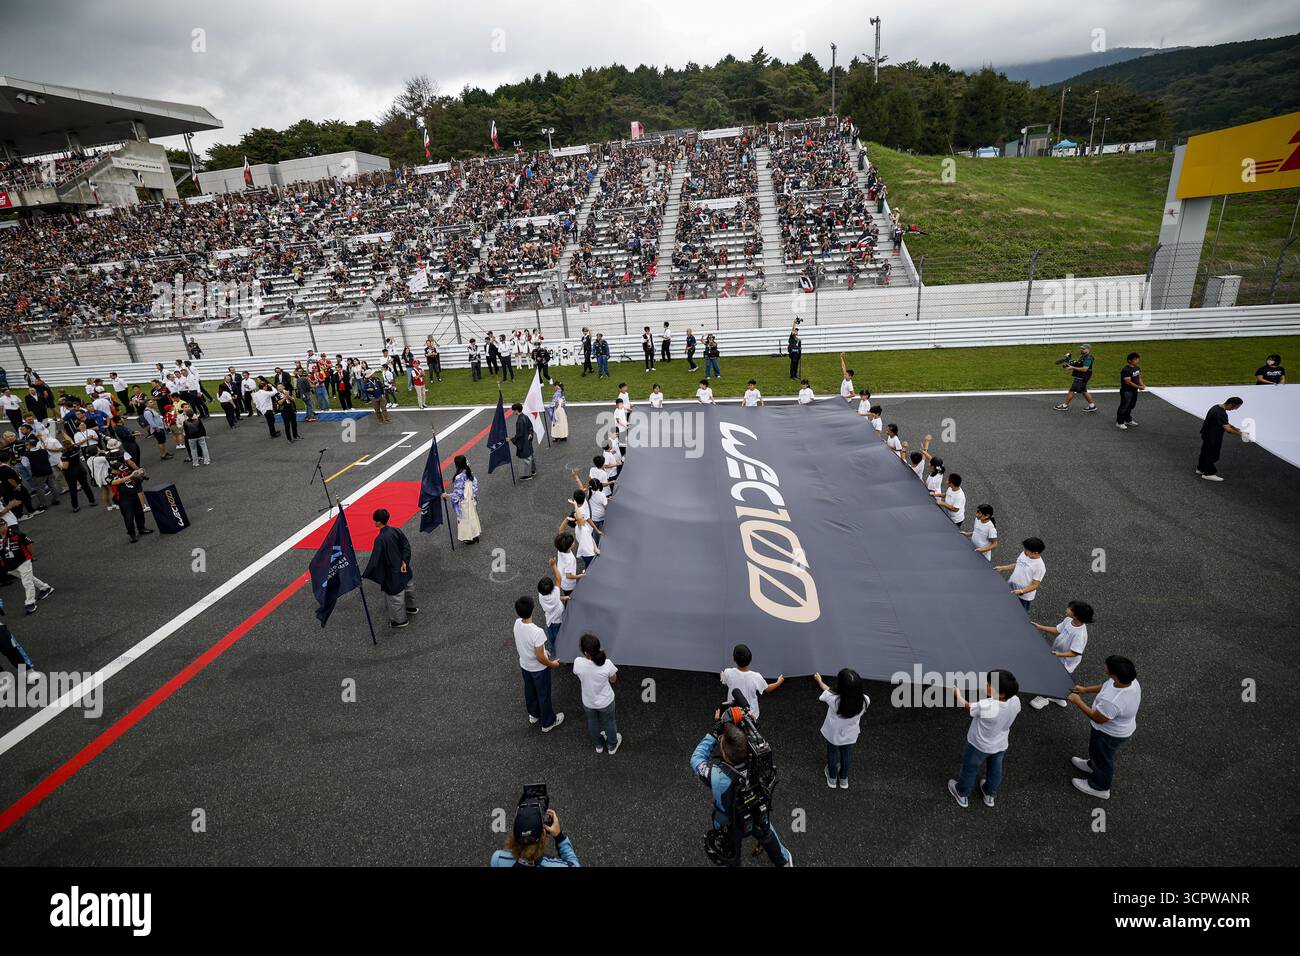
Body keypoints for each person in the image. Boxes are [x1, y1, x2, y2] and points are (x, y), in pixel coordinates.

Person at [689, 714, 792, 867]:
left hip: (729, 823)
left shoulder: (719, 777)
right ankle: (783, 861)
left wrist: (714, 732)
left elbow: (696, 759)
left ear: (724, 753)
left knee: (731, 853)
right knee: (767, 834)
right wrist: (748, 721)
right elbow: (756, 739)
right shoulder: (760, 761)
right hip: (758, 810)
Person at [1068, 655, 1141, 800]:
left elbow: (1098, 718)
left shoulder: (1113, 702)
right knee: (1097, 752)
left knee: (1103, 758)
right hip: (1113, 729)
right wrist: (1085, 690)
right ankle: (1092, 764)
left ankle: (1100, 787)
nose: (1104, 667)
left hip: (1110, 733)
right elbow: (1105, 686)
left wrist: (1077, 701)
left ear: (1114, 675)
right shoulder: (1129, 681)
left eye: (1106, 667)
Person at [947, 670, 1021, 809]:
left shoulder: (987, 705)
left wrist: (957, 694)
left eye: (990, 684)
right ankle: (989, 793)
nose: (986, 685)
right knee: (995, 769)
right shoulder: (1016, 701)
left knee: (969, 768)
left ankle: (961, 793)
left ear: (1001, 693)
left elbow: (968, 708)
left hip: (979, 745)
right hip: (1000, 744)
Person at [513, 595, 564, 731]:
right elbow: (540, 657)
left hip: (525, 665)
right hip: (539, 670)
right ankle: (548, 722)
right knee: (544, 694)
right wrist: (552, 664)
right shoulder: (537, 632)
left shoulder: (517, 623)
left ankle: (534, 714)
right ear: (532, 609)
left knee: (530, 691)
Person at [1029, 601, 1092, 709]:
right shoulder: (1069, 620)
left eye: (1070, 609)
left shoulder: (1080, 634)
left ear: (1076, 615)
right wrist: (1040, 627)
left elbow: (1075, 652)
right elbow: (1058, 629)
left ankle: (1044, 698)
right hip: (1058, 656)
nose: (1067, 609)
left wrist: (1059, 654)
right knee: (1057, 678)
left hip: (1066, 662)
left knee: (1052, 677)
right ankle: (1059, 697)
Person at [362, 508, 417, 628]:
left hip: (392, 572)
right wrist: (405, 561)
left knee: (395, 597)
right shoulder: (396, 530)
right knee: (408, 588)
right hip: (404, 566)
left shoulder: (380, 539)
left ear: (378, 522)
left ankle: (400, 620)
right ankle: (411, 607)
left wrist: (365, 574)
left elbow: (376, 561)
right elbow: (406, 546)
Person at [813, 669, 868, 790]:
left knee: (832, 753)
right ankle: (844, 779)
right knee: (846, 754)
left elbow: (827, 691)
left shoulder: (833, 699)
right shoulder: (864, 701)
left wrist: (819, 680)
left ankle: (832, 778)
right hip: (850, 735)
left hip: (833, 735)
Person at [489, 802, 578, 867]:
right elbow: (574, 864)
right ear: (543, 834)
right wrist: (559, 837)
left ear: (514, 836)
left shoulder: (498, 859)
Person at [573, 632, 621, 754]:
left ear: (585, 652)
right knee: (610, 722)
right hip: (606, 701)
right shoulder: (607, 664)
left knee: (592, 722)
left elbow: (577, 673)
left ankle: (598, 745)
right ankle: (612, 745)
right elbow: (613, 679)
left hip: (588, 702)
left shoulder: (578, 662)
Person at [0, 524, 53, 615]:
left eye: (2, 525)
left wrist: (31, 556)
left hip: (23, 561)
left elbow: (29, 544)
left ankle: (30, 603)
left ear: (6, 525)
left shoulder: (17, 534)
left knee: (26, 582)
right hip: (10, 565)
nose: (1, 527)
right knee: (28, 578)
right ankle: (45, 588)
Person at [721, 643, 783, 719]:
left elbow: (724, 682)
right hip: (751, 714)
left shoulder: (727, 672)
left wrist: (722, 675)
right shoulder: (756, 677)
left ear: (733, 659)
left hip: (734, 713)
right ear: (750, 658)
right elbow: (767, 689)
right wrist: (778, 682)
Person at [1196, 396, 1247, 482]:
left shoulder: (1216, 407)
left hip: (1206, 433)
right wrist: (1241, 434)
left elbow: (1223, 422)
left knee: (1205, 451)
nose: (1235, 409)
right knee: (1212, 454)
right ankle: (1209, 473)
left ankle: (1200, 468)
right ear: (1231, 404)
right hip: (1213, 436)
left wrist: (1233, 427)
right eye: (1236, 407)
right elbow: (1228, 430)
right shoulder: (1221, 413)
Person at [997, 538, 1046, 614]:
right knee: (1005, 607)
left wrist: (1021, 591)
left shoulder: (1040, 567)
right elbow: (1018, 565)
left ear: (1035, 553)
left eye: (1027, 550)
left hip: (1023, 596)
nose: (1024, 551)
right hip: (1011, 586)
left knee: (1020, 614)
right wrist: (1002, 568)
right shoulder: (1025, 554)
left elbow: (1035, 585)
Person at [109, 462, 153, 543]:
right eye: (120, 470)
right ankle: (132, 534)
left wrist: (140, 474)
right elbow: (117, 482)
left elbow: (136, 475)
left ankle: (142, 528)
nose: (122, 471)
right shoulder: (109, 477)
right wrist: (130, 476)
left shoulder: (125, 473)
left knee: (139, 513)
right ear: (114, 470)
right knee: (129, 517)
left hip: (134, 495)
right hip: (124, 500)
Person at [443, 455, 481, 544]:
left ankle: (469, 537)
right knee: (472, 517)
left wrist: (447, 495)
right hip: (471, 499)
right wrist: (473, 496)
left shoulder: (459, 477)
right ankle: (475, 535)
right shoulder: (468, 472)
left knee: (465, 521)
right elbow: (475, 484)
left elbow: (458, 494)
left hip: (464, 502)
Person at [1054, 344, 1098, 412]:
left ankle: (1065, 406)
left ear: (1088, 349)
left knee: (1072, 390)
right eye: (1081, 348)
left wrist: (1072, 367)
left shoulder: (1088, 358)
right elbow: (1078, 363)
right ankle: (1092, 406)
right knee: (1084, 391)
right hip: (1082, 376)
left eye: (1083, 349)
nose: (1082, 350)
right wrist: (1069, 362)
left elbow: (1084, 369)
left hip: (1081, 377)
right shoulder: (1084, 356)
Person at [536, 575, 567, 655]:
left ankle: (554, 649)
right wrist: (553, 565)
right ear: (552, 589)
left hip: (549, 620)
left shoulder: (541, 596)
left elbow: (556, 598)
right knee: (559, 637)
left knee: (552, 637)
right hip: (558, 619)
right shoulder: (556, 592)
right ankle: (561, 653)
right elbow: (558, 578)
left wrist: (563, 597)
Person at [1116, 351, 1145, 430]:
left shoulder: (1137, 368)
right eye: (1135, 359)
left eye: (1138, 359)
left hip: (1134, 391)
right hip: (1127, 391)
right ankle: (1119, 422)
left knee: (1131, 406)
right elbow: (1128, 382)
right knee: (1124, 406)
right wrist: (1139, 386)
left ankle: (1127, 419)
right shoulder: (1126, 370)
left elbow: (1139, 378)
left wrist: (1142, 384)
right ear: (1129, 360)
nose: (1137, 361)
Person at [511, 402, 535, 480]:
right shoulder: (525, 417)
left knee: (524, 457)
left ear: (517, 410)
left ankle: (527, 475)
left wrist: (511, 439)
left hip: (523, 443)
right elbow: (530, 426)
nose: (513, 412)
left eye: (513, 410)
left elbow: (519, 435)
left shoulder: (519, 421)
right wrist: (530, 433)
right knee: (530, 455)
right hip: (527, 441)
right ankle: (532, 471)